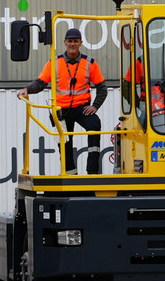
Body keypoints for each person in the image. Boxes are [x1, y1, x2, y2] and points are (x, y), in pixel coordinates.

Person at [18, 27, 108, 175]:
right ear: (65, 42)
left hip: (81, 108)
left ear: (81, 43)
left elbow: (102, 88)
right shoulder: (54, 63)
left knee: (94, 125)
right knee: (65, 144)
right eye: (70, 41)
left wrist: (95, 106)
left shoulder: (89, 63)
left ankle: (92, 172)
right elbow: (41, 83)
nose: (72, 44)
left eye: (75, 41)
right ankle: (71, 175)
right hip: (61, 111)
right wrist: (27, 89)